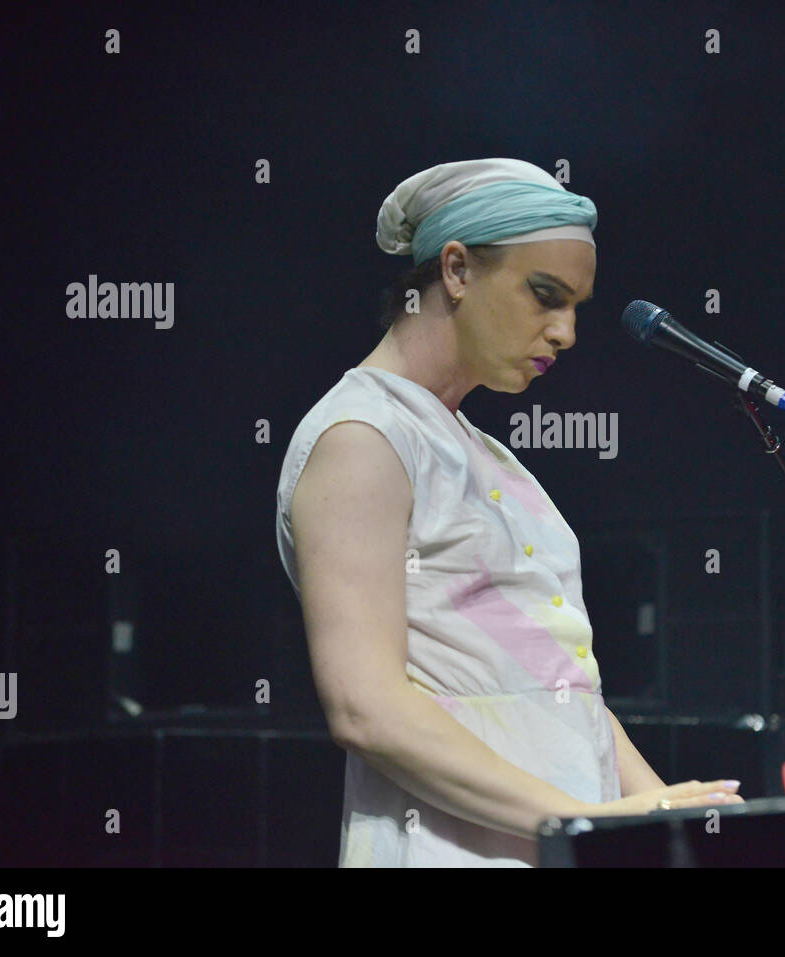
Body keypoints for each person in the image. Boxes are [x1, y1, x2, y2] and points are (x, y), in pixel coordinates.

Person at [276, 158, 743, 867]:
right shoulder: (362, 437)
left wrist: (664, 816)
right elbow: (364, 707)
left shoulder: (488, 454)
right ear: (457, 270)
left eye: (576, 306)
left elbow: (565, 693)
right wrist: (585, 821)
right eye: (545, 295)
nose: (566, 333)